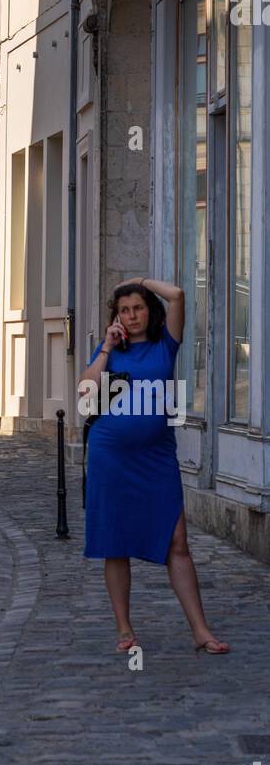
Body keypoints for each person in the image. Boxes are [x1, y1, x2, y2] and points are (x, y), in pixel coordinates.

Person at [79, 277, 230, 655]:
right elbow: (85, 389)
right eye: (124, 310)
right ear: (116, 317)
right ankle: (125, 629)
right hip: (110, 456)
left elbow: (178, 295)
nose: (132, 316)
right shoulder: (110, 350)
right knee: (115, 544)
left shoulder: (167, 345)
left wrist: (139, 281)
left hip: (157, 458)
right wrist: (106, 349)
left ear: (150, 311)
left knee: (178, 541)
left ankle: (200, 631)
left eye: (138, 308)